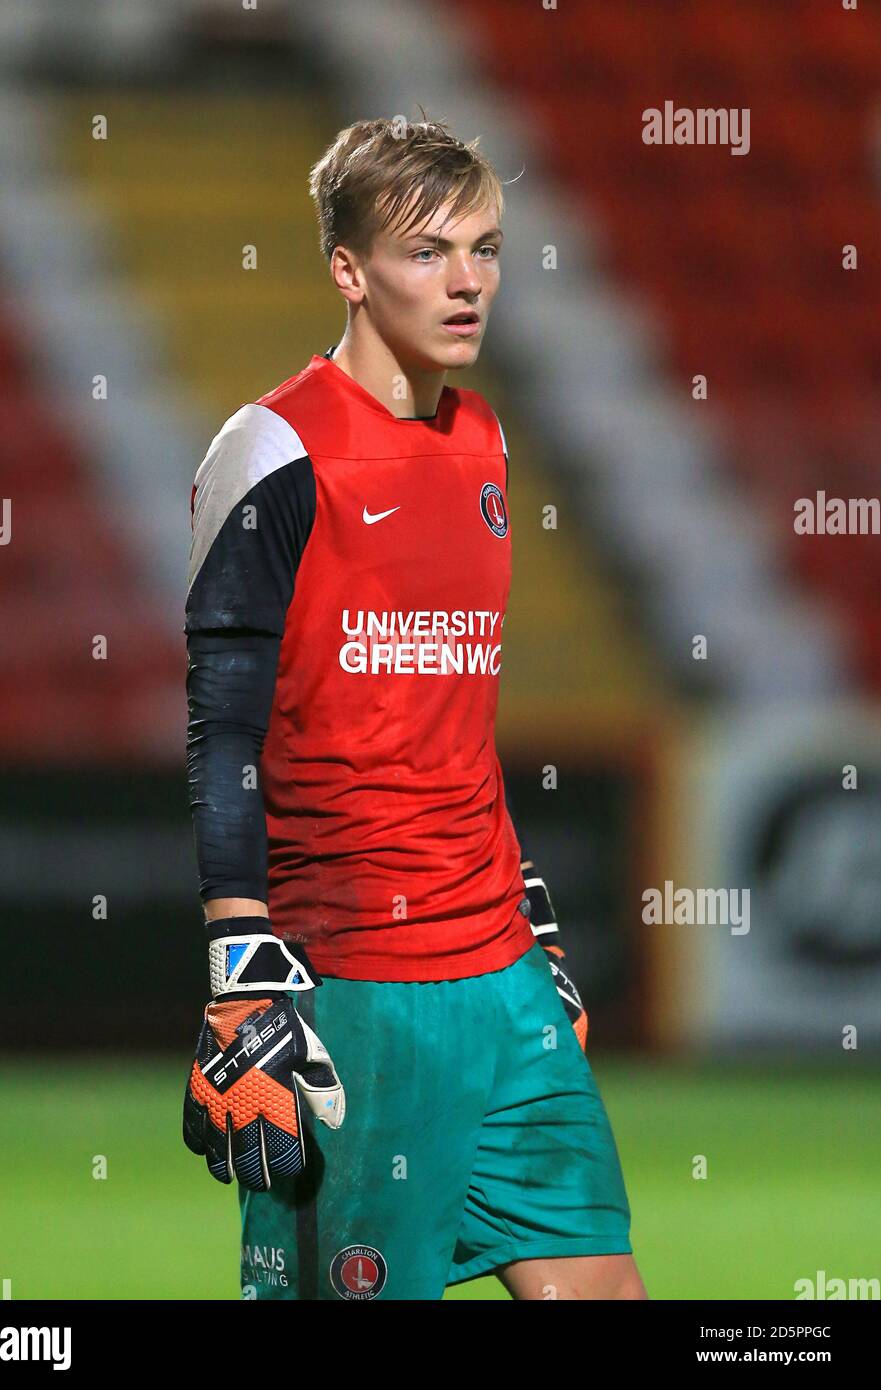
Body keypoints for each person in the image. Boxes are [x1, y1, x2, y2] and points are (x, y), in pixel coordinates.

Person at [182, 113, 647, 1302]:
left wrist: (530, 913)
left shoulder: (484, 441)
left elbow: (447, 718)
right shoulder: (273, 451)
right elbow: (223, 729)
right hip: (363, 995)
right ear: (348, 270)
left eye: (486, 249)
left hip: (504, 981)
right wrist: (239, 967)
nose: (467, 282)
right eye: (429, 252)